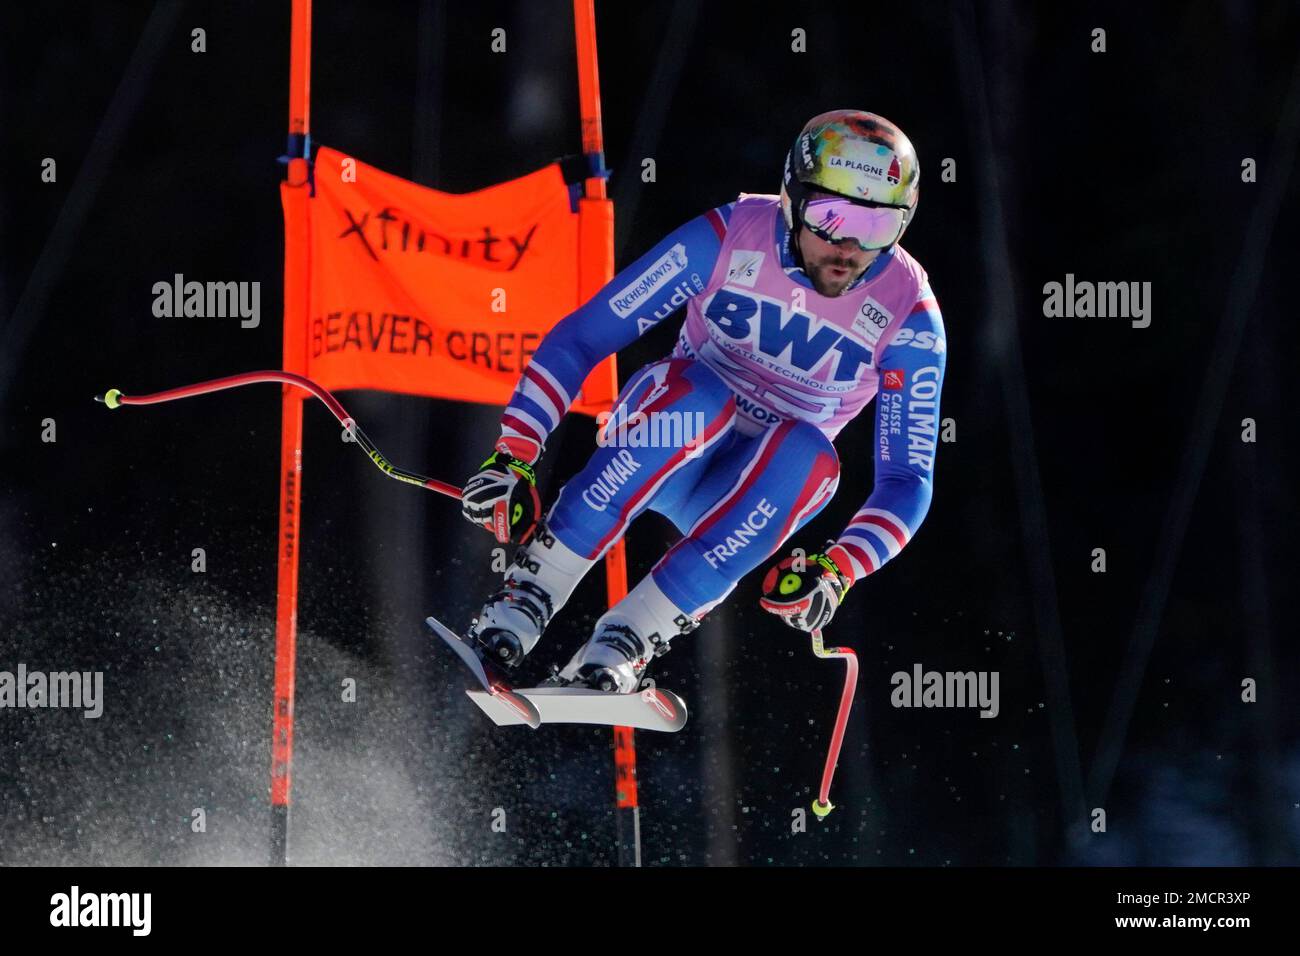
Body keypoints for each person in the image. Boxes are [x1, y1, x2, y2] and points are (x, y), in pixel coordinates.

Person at [455, 109, 946, 693]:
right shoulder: (731, 235)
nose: (848, 246)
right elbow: (584, 336)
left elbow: (908, 478)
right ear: (791, 197)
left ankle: (626, 642)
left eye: (876, 226)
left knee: (811, 456)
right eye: (830, 215)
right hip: (662, 437)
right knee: (702, 396)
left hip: (742, 492)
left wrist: (839, 570)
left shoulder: (910, 315)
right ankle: (528, 596)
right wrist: (514, 453)